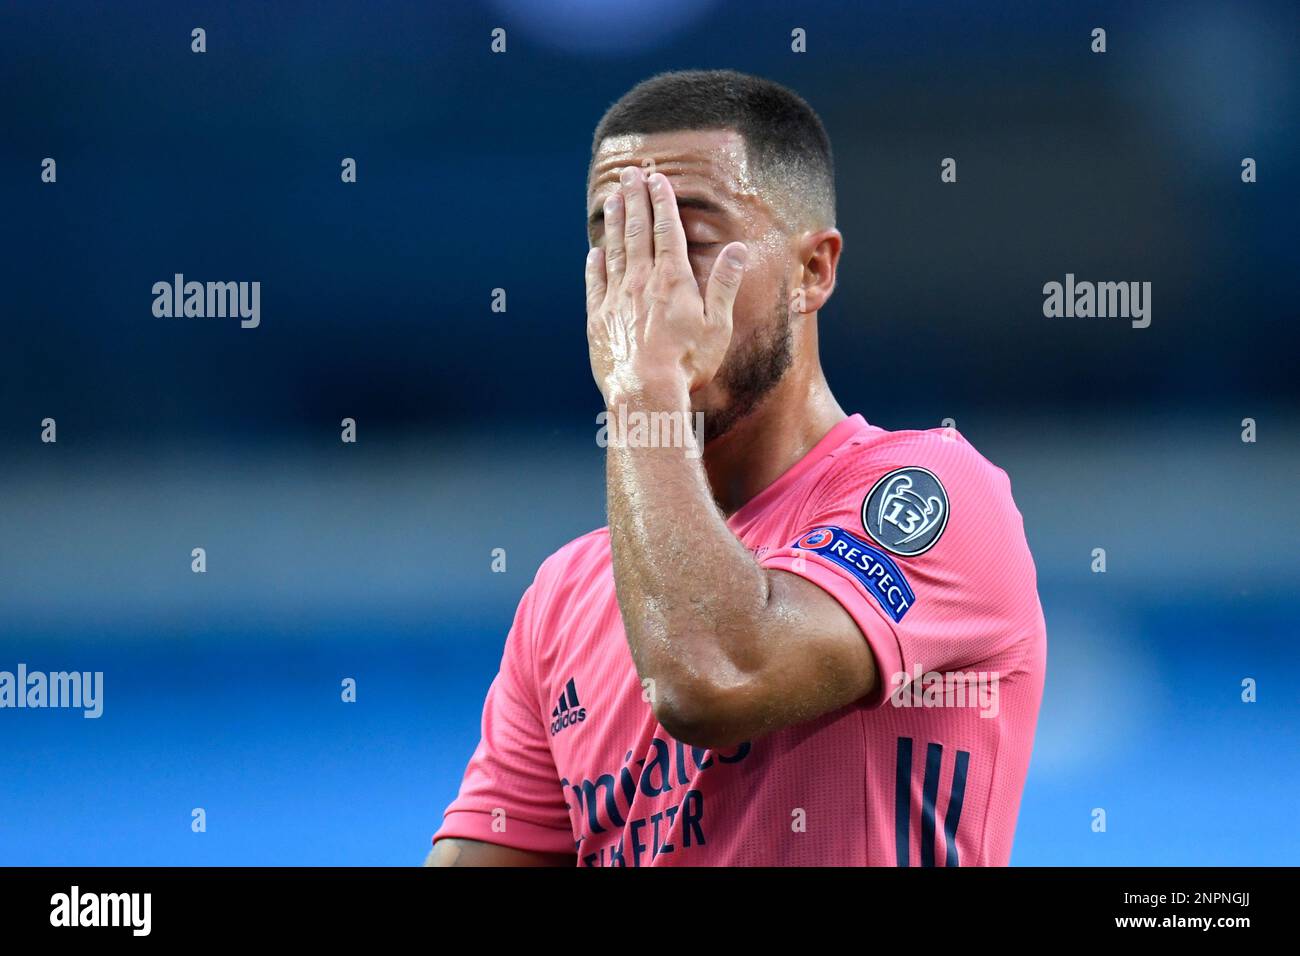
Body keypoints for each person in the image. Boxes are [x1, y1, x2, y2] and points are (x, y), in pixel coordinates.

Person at [428, 70, 1046, 867]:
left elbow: (713, 675)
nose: (650, 290)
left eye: (689, 240)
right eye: (618, 247)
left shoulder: (935, 495)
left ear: (812, 271)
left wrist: (644, 388)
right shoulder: (563, 597)